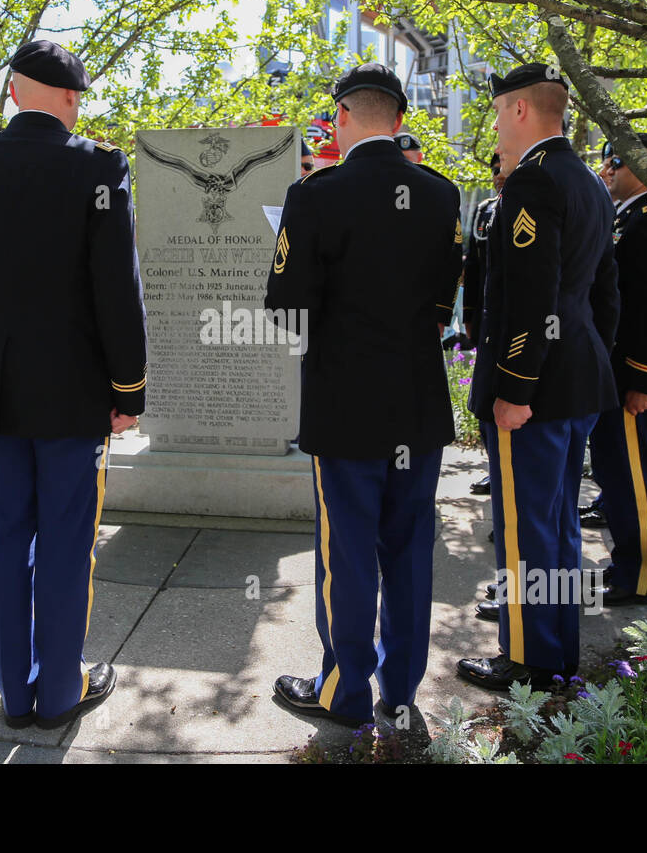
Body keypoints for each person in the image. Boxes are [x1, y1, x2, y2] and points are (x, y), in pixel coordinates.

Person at [0, 39, 147, 728]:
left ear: (13, 92)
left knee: (5, 543)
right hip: (74, 393)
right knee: (68, 544)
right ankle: (60, 692)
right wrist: (128, 389)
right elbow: (117, 290)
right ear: (72, 99)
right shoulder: (99, 166)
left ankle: (15, 694)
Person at [264, 62, 462, 725]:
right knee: (405, 552)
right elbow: (441, 304)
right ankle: (401, 694)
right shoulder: (440, 195)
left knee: (346, 554)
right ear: (400, 121)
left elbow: (286, 307)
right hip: (416, 404)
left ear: (341, 117)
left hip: (345, 406)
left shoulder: (316, 196)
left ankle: (345, 692)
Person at [458, 62, 619, 691]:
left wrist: (515, 388)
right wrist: (589, 360)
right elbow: (606, 296)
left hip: (537, 391)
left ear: (521, 110)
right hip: (576, 379)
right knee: (557, 527)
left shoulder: (532, 182)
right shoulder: (589, 183)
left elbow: (530, 299)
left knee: (527, 530)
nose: (496, 125)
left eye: (499, 112)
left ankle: (526, 658)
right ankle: (558, 653)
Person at [586, 133, 647, 607]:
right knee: (616, 476)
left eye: (614, 163)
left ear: (638, 167)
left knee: (633, 483)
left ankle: (640, 579)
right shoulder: (631, 216)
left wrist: (644, 380)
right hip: (618, 375)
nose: (607, 170)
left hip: (634, 379)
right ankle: (628, 566)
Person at [466, 151, 505, 497]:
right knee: (483, 402)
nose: (497, 174)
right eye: (492, 170)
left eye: (500, 168)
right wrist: (467, 314)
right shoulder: (485, 210)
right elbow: (474, 268)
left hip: (507, 321)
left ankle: (505, 472)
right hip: (484, 317)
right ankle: (495, 467)